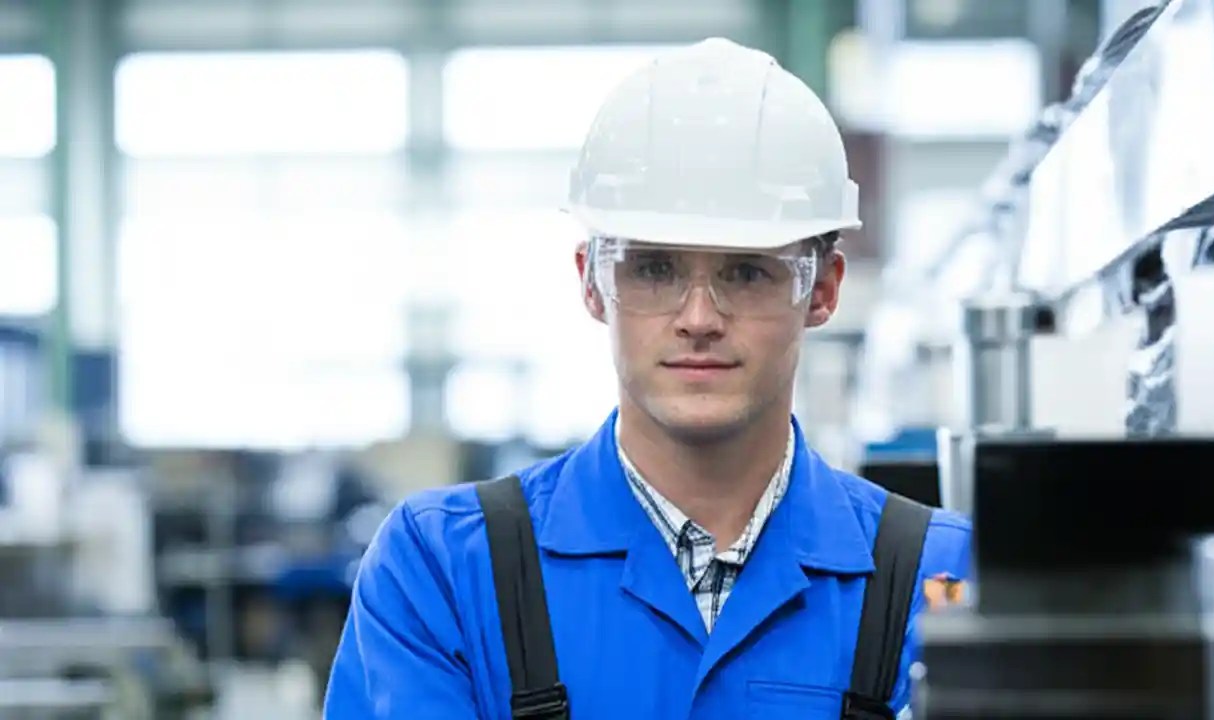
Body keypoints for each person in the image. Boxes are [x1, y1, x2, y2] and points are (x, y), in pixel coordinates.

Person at [324, 37, 971, 720]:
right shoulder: (443, 572)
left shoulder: (945, 576)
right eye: (655, 268)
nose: (699, 318)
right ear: (592, 283)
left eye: (747, 272)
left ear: (823, 291)